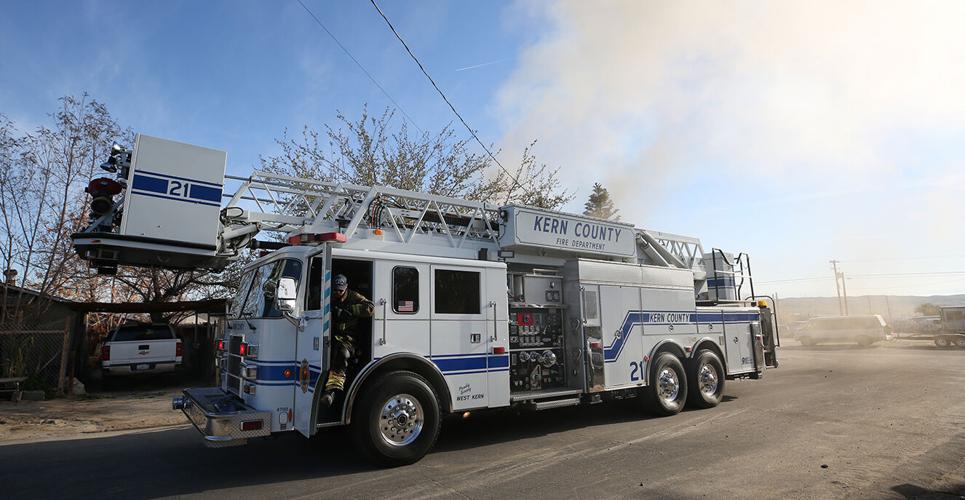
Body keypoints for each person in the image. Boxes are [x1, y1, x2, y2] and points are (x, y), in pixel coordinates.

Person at [320, 274, 374, 407]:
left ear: (346, 288)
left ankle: (331, 391)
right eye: (335, 290)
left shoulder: (353, 296)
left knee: (341, 354)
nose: (337, 293)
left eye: (340, 290)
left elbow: (371, 307)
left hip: (348, 339)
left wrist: (350, 309)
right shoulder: (326, 295)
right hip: (328, 336)